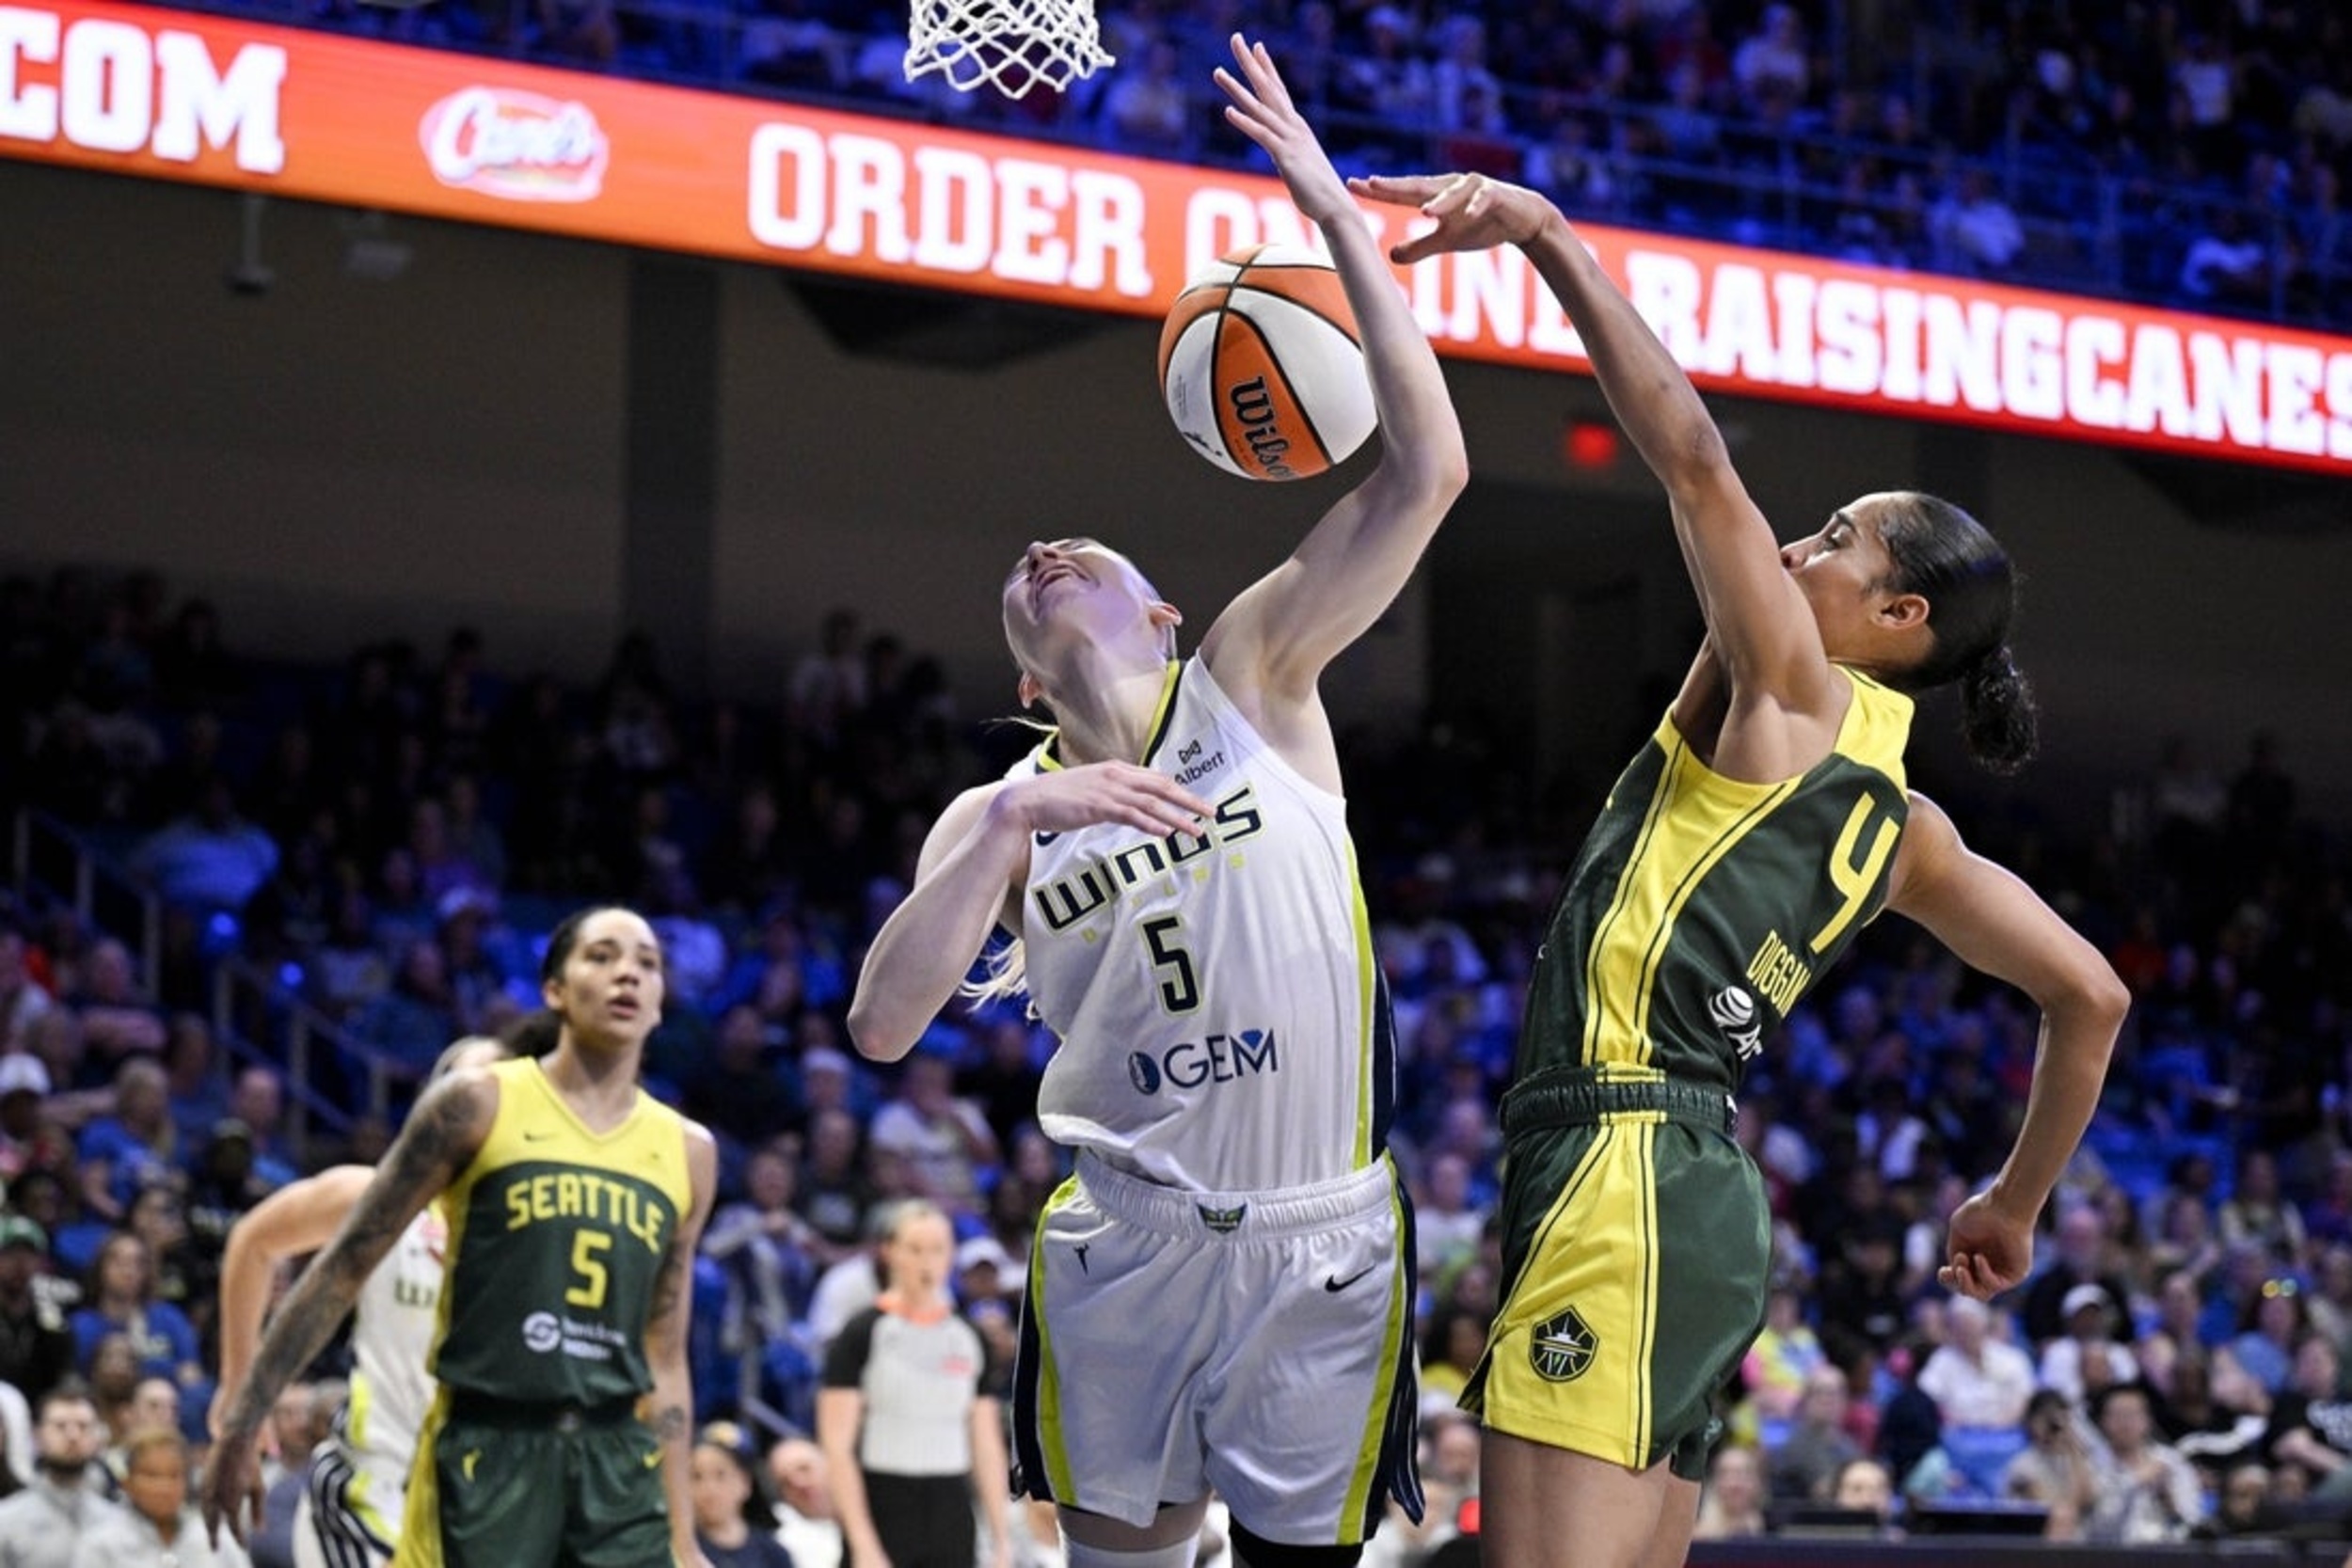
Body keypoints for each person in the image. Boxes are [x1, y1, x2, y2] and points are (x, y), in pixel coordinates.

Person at [1344, 166, 2127, 1568]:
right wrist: (2013, 1201)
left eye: (1834, 540)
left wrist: (1543, 235)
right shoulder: (1907, 826)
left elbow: (1694, 456)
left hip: (1619, 1164)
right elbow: (2092, 997)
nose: (1795, 545)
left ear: (1897, 614)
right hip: (1693, 1196)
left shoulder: (1795, 685)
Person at [844, 34, 1468, 1568]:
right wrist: (1002, 833)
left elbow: (1431, 468)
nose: (1050, 556)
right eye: (1028, 569)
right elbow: (878, 1028)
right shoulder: (998, 810)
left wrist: (1334, 218)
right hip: (1127, 1239)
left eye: (1092, 557)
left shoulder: (1252, 677)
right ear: (1020, 662)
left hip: (1318, 1232)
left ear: (1166, 612)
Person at [199, 907, 719, 1568]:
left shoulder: (684, 1151)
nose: (628, 974)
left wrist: (682, 1532)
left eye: (647, 962)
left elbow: (663, 1356)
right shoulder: (468, 1118)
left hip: (608, 1463)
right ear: (554, 989)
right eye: (603, 955)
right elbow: (314, 1265)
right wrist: (242, 1406)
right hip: (450, 1459)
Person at [207, 1037, 508, 1568]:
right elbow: (254, 1242)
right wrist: (238, 1393)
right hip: (369, 1497)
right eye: (462, 1087)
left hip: (482, 1509)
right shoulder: (374, 1197)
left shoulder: (537, 1233)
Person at [817, 1200, 1009, 1568]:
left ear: (951, 1255)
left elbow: (985, 1445)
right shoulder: (862, 1333)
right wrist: (862, 1542)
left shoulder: (968, 1337)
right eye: (915, 1249)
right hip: (884, 1502)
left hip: (951, 1508)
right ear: (890, 1252)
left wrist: (1001, 1539)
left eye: (937, 1249)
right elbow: (837, 1447)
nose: (926, 1262)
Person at [74, 1424, 251, 1568]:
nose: (165, 1487)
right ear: (127, 1483)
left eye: (174, 1475)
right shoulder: (100, 1545)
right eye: (152, 1475)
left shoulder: (216, 1539)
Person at [0, 1382, 116, 1568]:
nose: (73, 1435)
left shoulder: (116, 1520)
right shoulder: (5, 1521)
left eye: (83, 1426)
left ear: (98, 1439)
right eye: (60, 1426)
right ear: (37, 1437)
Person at [687, 1428, 796, 1568]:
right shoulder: (679, 1547)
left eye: (721, 1475)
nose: (709, 1489)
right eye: (696, 1476)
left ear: (745, 1483)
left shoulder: (772, 1553)